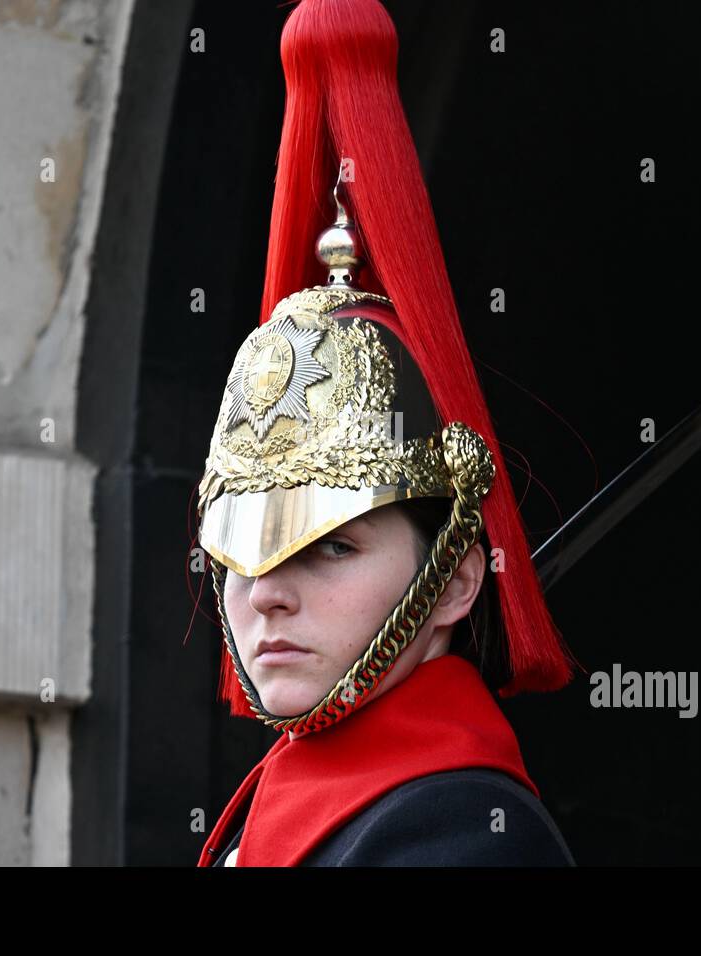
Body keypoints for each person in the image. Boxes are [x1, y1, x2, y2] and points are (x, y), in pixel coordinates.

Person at [191, 0, 582, 867]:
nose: (265, 596)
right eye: (239, 554)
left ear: (454, 582)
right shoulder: (273, 813)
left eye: (331, 547)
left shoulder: (465, 836)